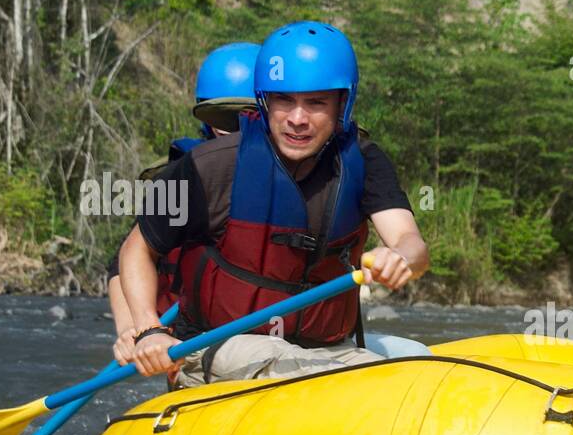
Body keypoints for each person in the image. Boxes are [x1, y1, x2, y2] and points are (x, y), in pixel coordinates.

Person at [117, 20, 429, 387]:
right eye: (284, 100)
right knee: (304, 367)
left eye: (315, 103)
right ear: (264, 101)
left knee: (420, 369)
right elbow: (135, 251)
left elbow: (411, 242)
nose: (297, 119)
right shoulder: (210, 166)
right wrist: (147, 330)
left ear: (342, 104)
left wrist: (400, 258)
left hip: (324, 350)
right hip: (217, 347)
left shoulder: (363, 161)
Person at [107, 42, 262, 364]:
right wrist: (132, 329)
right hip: (198, 342)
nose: (239, 134)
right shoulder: (189, 174)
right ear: (207, 119)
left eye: (250, 118)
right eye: (227, 121)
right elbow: (124, 261)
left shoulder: (301, 171)